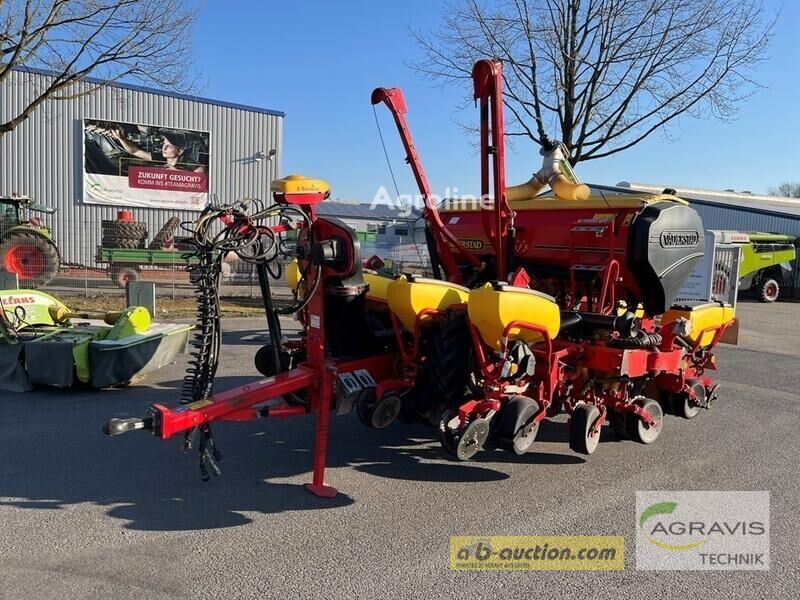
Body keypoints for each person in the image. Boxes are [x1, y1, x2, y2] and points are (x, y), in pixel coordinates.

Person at [100, 125, 205, 173]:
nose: (164, 148)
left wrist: (176, 172)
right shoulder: (160, 158)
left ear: (180, 150)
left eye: (168, 146)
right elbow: (135, 151)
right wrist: (121, 139)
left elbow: (201, 173)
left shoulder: (187, 162)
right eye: (164, 144)